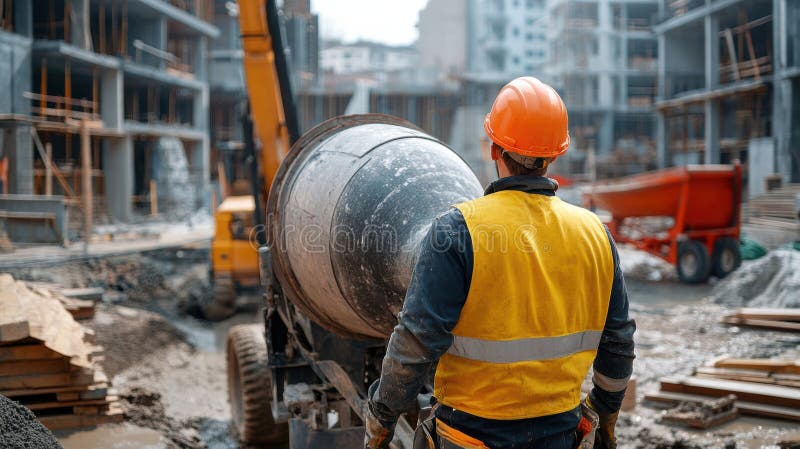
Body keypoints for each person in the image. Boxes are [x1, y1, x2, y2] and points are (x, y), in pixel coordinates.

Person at [363, 77, 636, 449]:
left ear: (494, 149)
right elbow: (618, 343)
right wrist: (604, 414)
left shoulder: (458, 230)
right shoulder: (595, 234)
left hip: (469, 437)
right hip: (560, 435)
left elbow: (415, 343)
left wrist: (382, 416)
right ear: (554, 155)